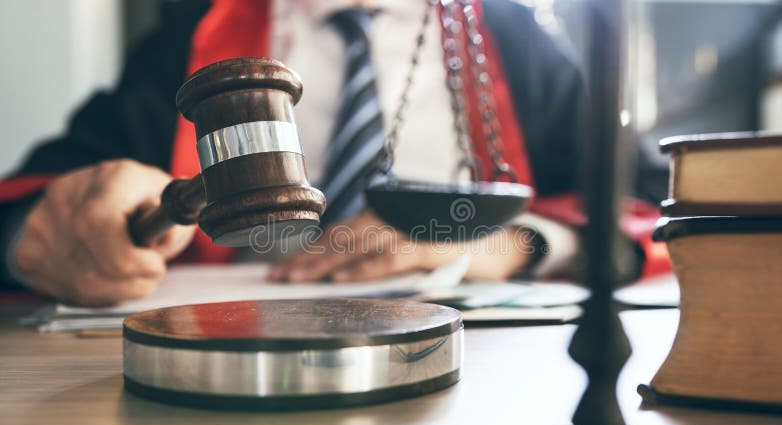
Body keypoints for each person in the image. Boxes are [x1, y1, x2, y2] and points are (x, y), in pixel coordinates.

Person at [0, 0, 625, 306]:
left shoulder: (515, 41)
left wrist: (496, 244)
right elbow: (41, 202)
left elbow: (645, 206)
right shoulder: (194, 32)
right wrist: (40, 240)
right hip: (232, 369)